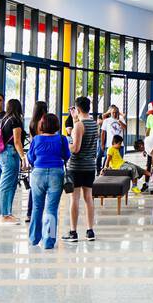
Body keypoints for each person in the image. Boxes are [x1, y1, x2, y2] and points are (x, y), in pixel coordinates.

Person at [26, 112, 69, 250]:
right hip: (56, 174)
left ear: (42, 124)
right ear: (56, 125)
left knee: (37, 207)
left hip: (38, 174)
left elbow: (31, 158)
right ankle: (48, 242)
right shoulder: (62, 139)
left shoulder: (36, 139)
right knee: (51, 209)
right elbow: (67, 156)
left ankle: (33, 238)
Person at [64, 96, 99, 243]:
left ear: (77, 109)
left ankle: (73, 232)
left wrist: (67, 144)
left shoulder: (79, 126)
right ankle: (90, 231)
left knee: (74, 198)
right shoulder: (94, 124)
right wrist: (74, 120)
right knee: (88, 198)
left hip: (77, 167)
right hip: (90, 166)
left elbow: (76, 148)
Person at [0, 99, 28, 223]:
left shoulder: (4, 119)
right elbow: (17, 141)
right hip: (10, 153)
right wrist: (23, 157)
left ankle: (7, 213)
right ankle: (4, 215)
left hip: (2, 154)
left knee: (10, 184)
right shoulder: (15, 121)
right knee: (6, 185)